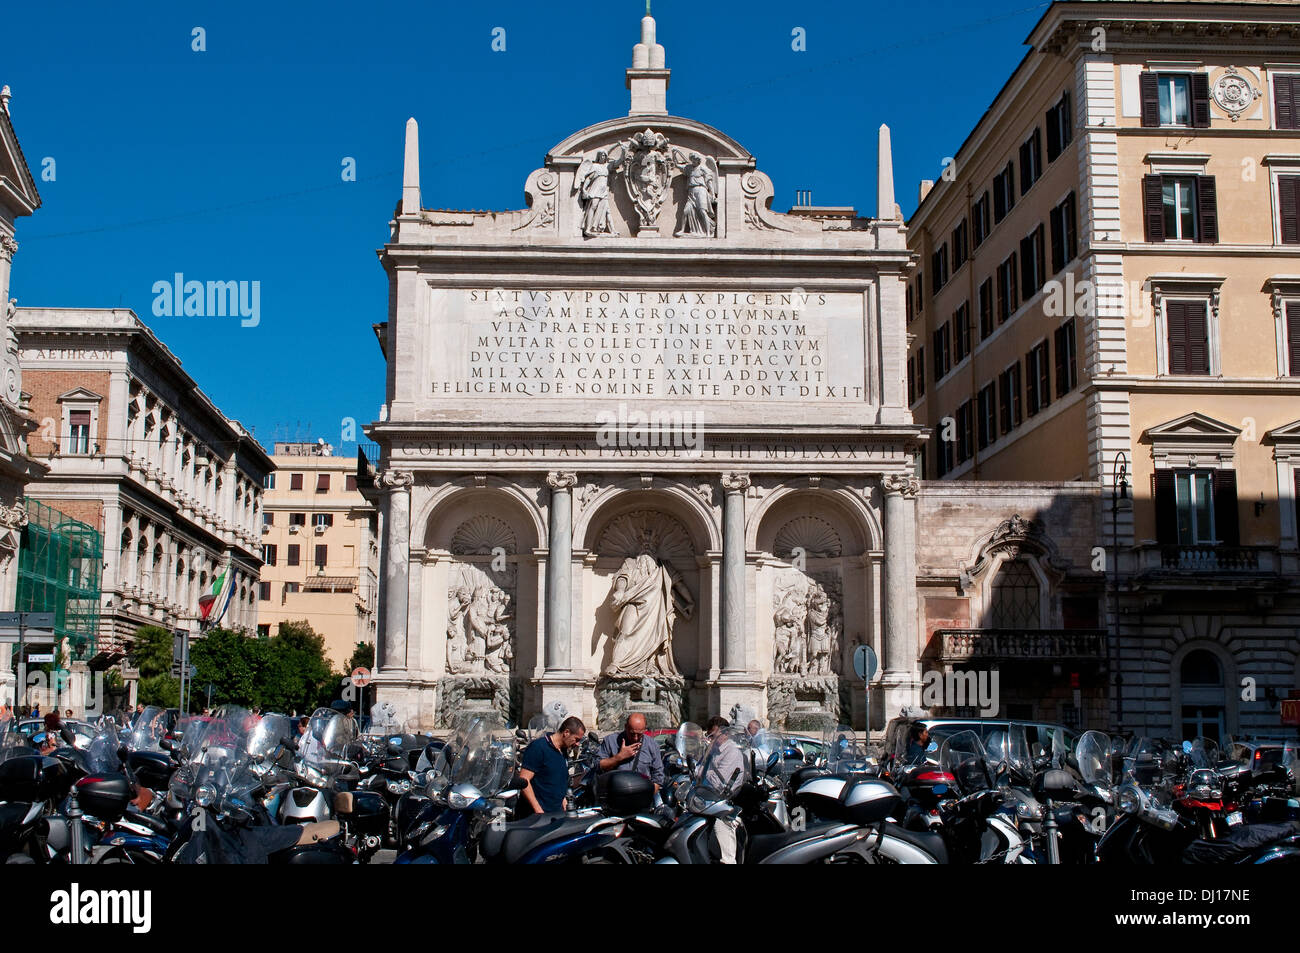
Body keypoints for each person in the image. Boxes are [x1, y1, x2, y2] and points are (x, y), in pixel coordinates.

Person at [518, 716, 586, 816]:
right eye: (576, 739)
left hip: (556, 815)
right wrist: (539, 812)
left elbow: (557, 781)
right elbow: (524, 781)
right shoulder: (538, 747)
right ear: (566, 732)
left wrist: (564, 805)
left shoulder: (563, 751)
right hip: (537, 817)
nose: (577, 744)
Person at [702, 716, 746, 864]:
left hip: (726, 801)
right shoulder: (714, 751)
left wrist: (703, 773)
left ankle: (728, 861)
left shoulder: (731, 752)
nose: (710, 740)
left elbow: (720, 782)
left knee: (721, 825)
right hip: (711, 799)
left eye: (713, 736)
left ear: (725, 734)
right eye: (709, 736)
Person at [597, 712, 665, 792]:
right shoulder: (610, 741)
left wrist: (647, 797)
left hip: (642, 796)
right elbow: (598, 766)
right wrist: (618, 757)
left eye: (639, 734)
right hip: (615, 796)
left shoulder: (652, 745)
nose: (635, 738)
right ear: (626, 727)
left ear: (644, 730)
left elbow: (658, 777)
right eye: (632, 734)